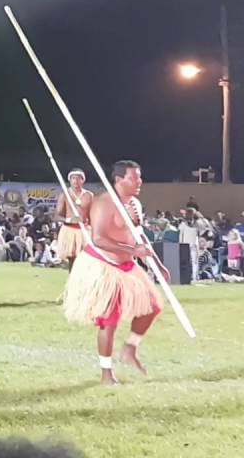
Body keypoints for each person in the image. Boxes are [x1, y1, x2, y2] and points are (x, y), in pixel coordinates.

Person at [62, 160, 166, 385]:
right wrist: (133, 250)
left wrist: (157, 262)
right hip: (103, 264)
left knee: (153, 306)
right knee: (109, 320)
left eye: (139, 177)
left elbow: (139, 235)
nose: (139, 182)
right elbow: (98, 239)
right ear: (119, 180)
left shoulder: (135, 204)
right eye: (133, 178)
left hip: (127, 265)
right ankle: (106, 373)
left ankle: (130, 348)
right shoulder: (103, 203)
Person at [54, 169, 93, 269]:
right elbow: (57, 215)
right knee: (72, 257)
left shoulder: (89, 195)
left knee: (85, 257)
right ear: (70, 180)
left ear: (83, 180)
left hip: (84, 230)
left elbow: (92, 215)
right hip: (69, 230)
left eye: (78, 178)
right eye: (73, 178)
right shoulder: (65, 194)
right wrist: (69, 220)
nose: (76, 181)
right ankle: (72, 278)